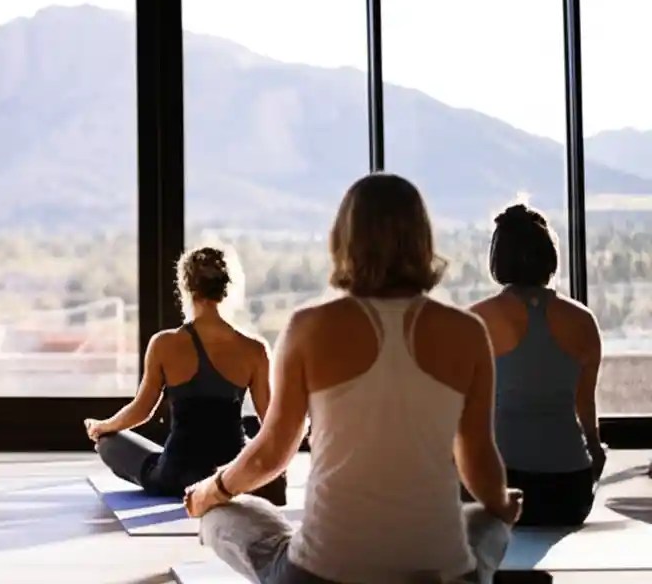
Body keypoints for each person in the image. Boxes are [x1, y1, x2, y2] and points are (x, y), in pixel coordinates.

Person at [184, 173, 522, 584]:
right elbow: (479, 458)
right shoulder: (467, 332)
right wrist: (501, 506)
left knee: (222, 516)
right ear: (422, 241)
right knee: (487, 523)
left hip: (321, 574)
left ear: (343, 240)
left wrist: (210, 490)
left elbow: (271, 453)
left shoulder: (309, 327)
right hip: (439, 576)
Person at [83, 247, 284, 503]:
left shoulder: (164, 344)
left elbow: (142, 410)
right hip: (228, 476)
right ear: (227, 288)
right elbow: (271, 421)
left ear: (186, 288)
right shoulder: (254, 349)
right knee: (249, 425)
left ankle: (118, 441)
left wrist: (103, 427)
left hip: (175, 474)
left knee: (109, 442)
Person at [469, 203, 604, 527]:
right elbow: (585, 408)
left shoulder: (477, 320)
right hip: (570, 490)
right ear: (549, 256)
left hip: (501, 489)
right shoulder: (583, 320)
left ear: (497, 259)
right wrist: (596, 454)